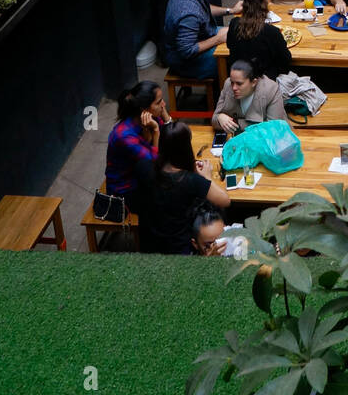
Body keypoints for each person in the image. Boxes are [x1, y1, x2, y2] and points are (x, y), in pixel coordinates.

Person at [136, 121, 230, 255]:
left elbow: (157, 162)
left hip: (148, 246)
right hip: (179, 252)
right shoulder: (190, 181)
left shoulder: (143, 167)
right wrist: (207, 177)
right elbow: (225, 200)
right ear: (186, 148)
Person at [162, 0, 236, 81]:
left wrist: (231, 10)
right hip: (184, 62)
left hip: (199, 36)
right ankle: (222, 93)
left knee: (235, 33)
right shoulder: (189, 14)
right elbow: (187, 51)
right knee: (232, 58)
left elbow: (203, 10)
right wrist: (218, 39)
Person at [104, 80, 171, 211]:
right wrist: (156, 132)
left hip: (143, 177)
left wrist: (166, 117)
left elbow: (171, 138)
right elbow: (154, 167)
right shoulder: (124, 136)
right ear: (144, 109)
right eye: (159, 102)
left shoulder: (149, 118)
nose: (164, 104)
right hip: (126, 191)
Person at [226, 0, 292, 80]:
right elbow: (286, 60)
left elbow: (229, 45)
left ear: (243, 5)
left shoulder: (234, 24)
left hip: (240, 77)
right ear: (265, 6)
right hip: (265, 81)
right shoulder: (272, 31)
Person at [212, 57, 288, 135]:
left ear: (254, 82)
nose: (234, 88)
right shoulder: (228, 85)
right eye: (232, 82)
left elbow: (273, 129)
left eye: (239, 84)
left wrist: (236, 123)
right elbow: (214, 119)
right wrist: (219, 117)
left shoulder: (271, 89)